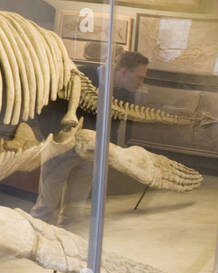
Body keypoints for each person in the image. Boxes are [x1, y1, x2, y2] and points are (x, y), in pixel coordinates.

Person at [30, 50, 149, 225]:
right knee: (45, 208)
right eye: (139, 77)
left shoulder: (124, 93)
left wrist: (106, 152)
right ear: (124, 72)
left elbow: (113, 126)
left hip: (89, 155)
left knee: (74, 211)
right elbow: (46, 107)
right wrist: (56, 138)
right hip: (61, 150)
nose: (141, 83)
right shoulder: (78, 76)